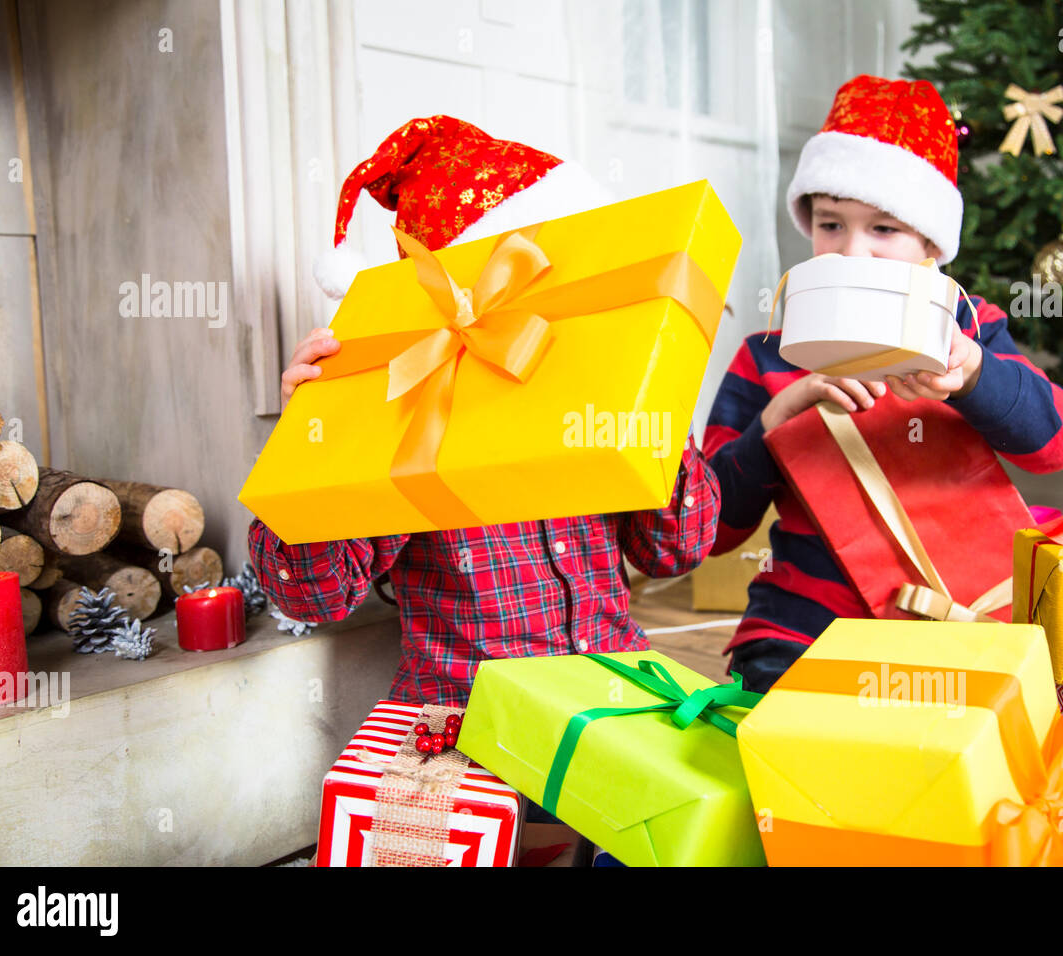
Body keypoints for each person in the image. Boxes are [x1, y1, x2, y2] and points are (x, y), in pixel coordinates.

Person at [248, 115, 720, 709]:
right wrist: (313, 443)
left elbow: (675, 552)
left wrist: (663, 399)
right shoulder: (413, 412)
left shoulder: (594, 397)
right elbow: (315, 598)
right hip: (472, 725)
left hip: (616, 698)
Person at [704, 75, 1063, 693]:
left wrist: (973, 376)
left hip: (956, 623)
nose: (853, 251)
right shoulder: (767, 355)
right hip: (800, 631)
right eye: (831, 225)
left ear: (931, 244)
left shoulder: (972, 331)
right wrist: (773, 424)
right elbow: (709, 533)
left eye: (883, 230)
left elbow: (1059, 445)